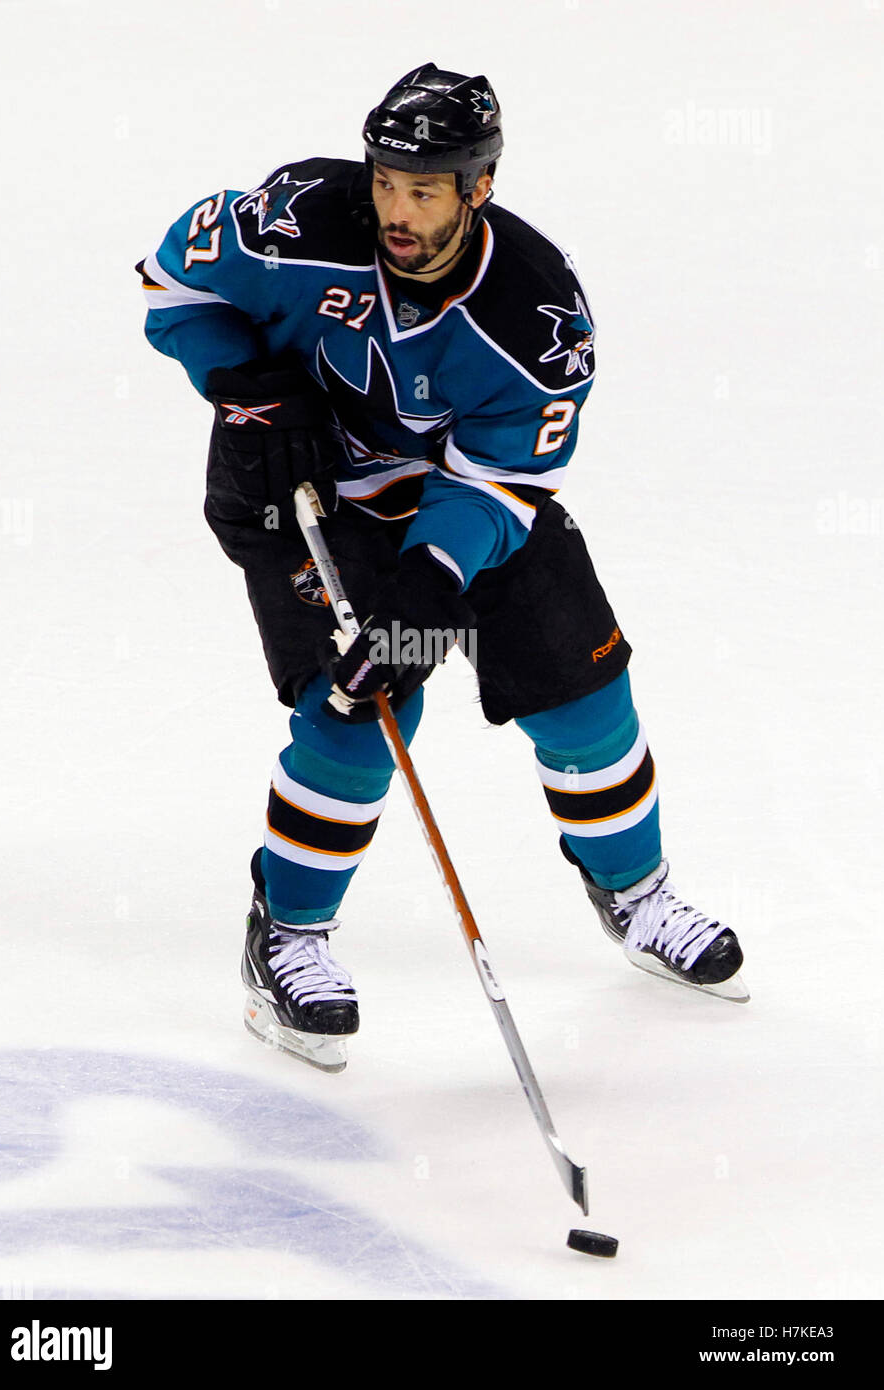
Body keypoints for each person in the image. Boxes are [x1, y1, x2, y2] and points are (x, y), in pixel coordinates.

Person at [137, 63, 748, 1070]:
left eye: (423, 191)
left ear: (479, 187)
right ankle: (285, 934)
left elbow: (503, 483)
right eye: (384, 181)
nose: (394, 210)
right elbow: (173, 284)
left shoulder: (534, 318)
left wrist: (429, 584)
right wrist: (248, 385)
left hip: (457, 509)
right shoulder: (294, 220)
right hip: (301, 492)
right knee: (369, 700)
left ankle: (633, 893)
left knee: (581, 686)